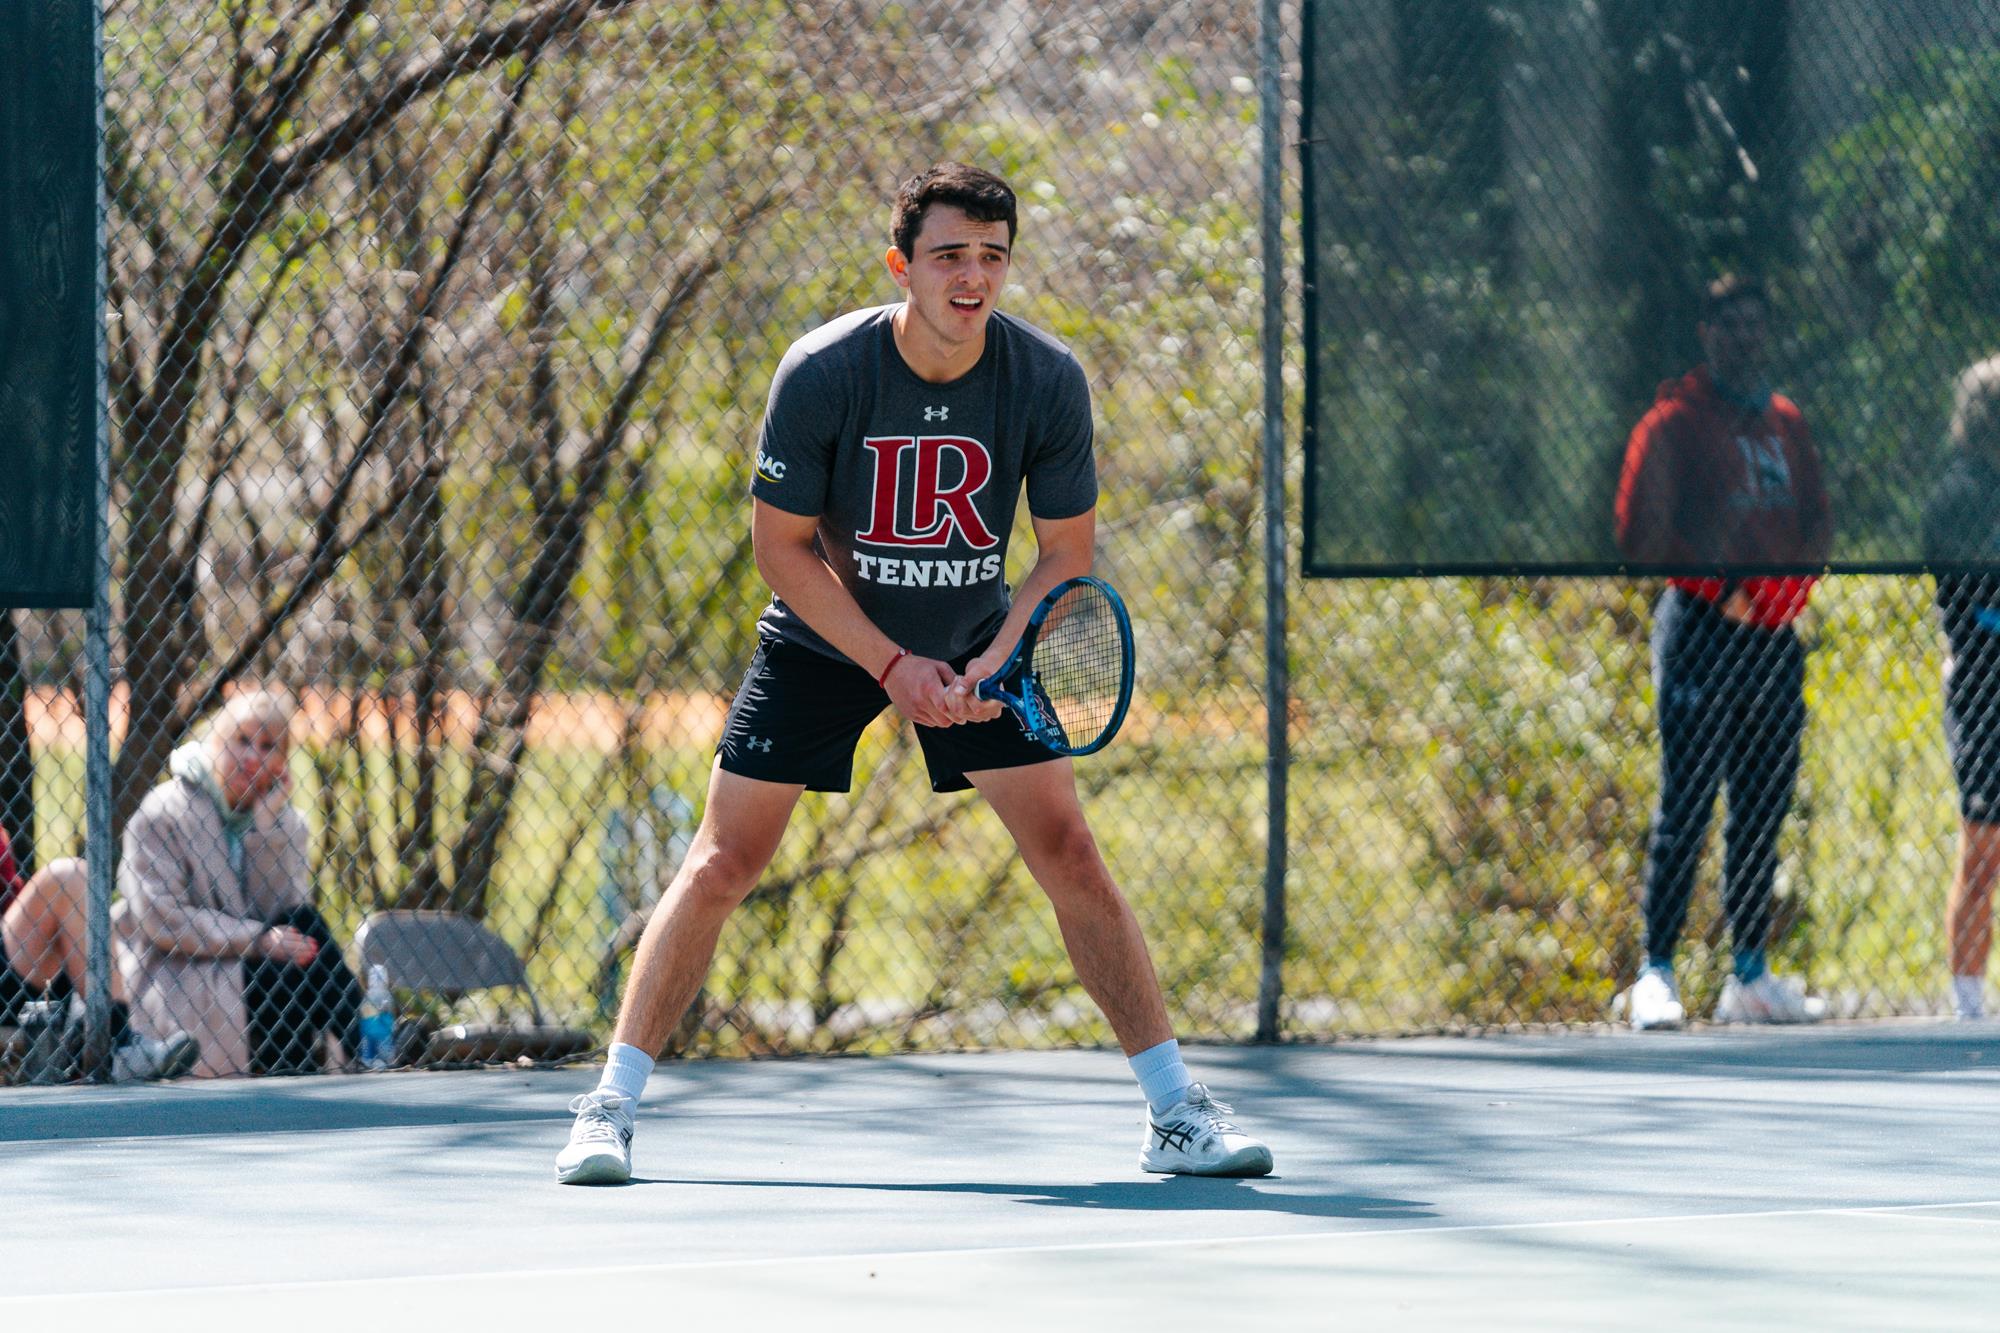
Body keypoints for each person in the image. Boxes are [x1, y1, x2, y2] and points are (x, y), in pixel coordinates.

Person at [556, 162, 1272, 1185]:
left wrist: (992, 655)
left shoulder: (1045, 380)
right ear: (901, 265)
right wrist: (889, 663)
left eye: (991, 256)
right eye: (948, 256)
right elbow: (781, 548)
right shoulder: (822, 371)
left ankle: (1174, 1113)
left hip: (977, 642)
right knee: (722, 862)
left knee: (1069, 850)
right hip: (826, 637)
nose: (971, 276)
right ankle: (606, 1109)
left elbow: (1064, 555)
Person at [1612, 273, 1834, 1029]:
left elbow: (1817, 520)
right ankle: (1657, 970)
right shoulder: (1674, 421)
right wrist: (1720, 588)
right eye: (1730, 324)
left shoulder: (1785, 422)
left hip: (1775, 639)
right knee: (1687, 800)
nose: (1745, 336)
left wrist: (1787, 597)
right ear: (1707, 333)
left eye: (1755, 324)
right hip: (1702, 633)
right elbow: (1640, 530)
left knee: (1762, 804)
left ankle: (1750, 973)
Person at [115, 690, 361, 1077]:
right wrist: (258, 939)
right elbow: (163, 920)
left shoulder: (283, 822)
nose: (252, 757)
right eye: (242, 741)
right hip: (179, 971)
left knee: (306, 926)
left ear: (282, 762)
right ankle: (367, 1045)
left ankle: (354, 1050)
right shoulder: (163, 811)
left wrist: (266, 829)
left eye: (268, 747)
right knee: (286, 973)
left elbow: (285, 912)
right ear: (217, 742)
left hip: (250, 964)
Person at [1, 825, 200, 1081]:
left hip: (18, 973)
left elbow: (9, 898)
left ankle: (118, 1042)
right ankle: (114, 1043)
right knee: (65, 876)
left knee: (71, 878)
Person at [1924, 355, 2000, 1021]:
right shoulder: (1958, 496)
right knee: (1982, 845)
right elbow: (1964, 605)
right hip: (1981, 689)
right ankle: (1968, 999)